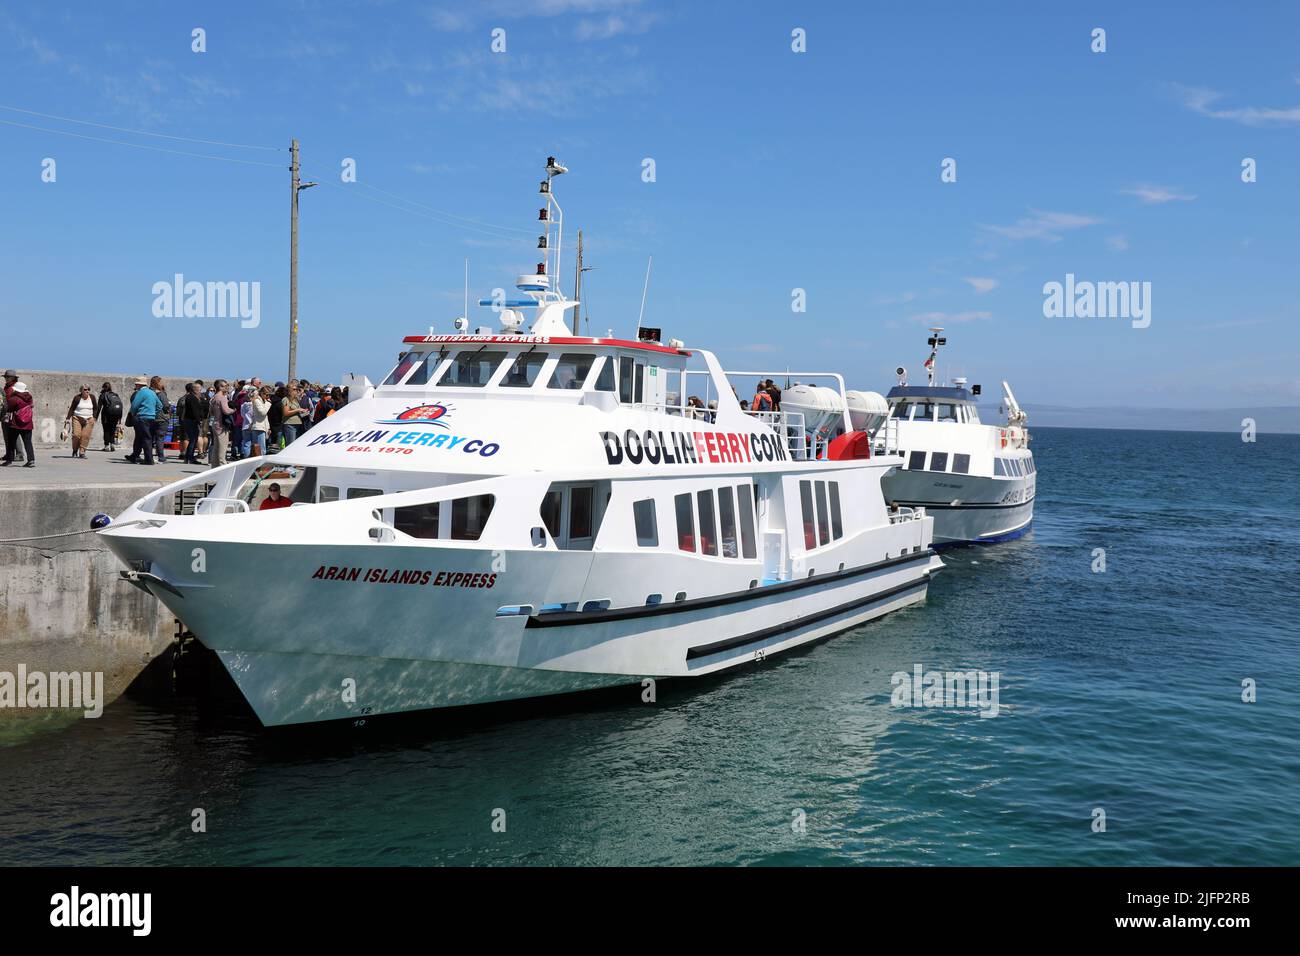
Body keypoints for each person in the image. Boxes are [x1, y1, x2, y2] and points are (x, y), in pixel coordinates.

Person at [1, 371, 35, 468]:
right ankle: (31, 460)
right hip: (28, 424)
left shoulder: (14, 399)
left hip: (16, 423)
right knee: (28, 442)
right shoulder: (29, 397)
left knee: (11, 441)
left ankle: (9, 460)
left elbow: (7, 408)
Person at [124, 377, 160, 465]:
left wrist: (133, 414)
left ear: (139, 385)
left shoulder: (140, 393)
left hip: (142, 417)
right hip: (151, 418)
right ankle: (134, 456)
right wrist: (153, 412)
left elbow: (134, 406)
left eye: (136, 384)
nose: (135, 386)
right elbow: (160, 406)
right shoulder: (152, 392)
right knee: (141, 437)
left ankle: (149, 459)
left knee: (145, 438)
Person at [63, 384, 98, 459]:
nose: (87, 391)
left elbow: (95, 408)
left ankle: (82, 452)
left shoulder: (92, 397)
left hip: (89, 419)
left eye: (88, 389)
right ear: (81, 391)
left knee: (85, 436)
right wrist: (68, 418)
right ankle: (75, 450)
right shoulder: (77, 398)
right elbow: (72, 408)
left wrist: (94, 418)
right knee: (76, 435)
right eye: (85, 389)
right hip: (77, 418)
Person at [208, 379, 235, 468]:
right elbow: (226, 411)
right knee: (222, 452)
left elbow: (211, 412)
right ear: (220, 387)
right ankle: (224, 470)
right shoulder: (222, 398)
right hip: (221, 426)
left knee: (216, 449)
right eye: (225, 385)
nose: (227, 387)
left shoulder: (214, 397)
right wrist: (234, 410)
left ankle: (214, 470)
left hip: (215, 424)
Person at [178, 382, 204, 463]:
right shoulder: (191, 398)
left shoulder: (193, 397)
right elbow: (194, 411)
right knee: (193, 439)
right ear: (194, 389)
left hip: (191, 420)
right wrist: (199, 420)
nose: (200, 390)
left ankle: (188, 457)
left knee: (194, 439)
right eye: (199, 389)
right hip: (191, 421)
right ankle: (190, 457)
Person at [97, 382, 123, 452]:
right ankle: (112, 444)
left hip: (106, 414)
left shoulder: (103, 395)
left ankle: (106, 446)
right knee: (113, 429)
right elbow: (120, 406)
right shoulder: (115, 395)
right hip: (116, 415)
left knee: (106, 430)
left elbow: (99, 407)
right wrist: (120, 419)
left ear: (103, 387)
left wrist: (95, 417)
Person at [150, 376, 170, 463]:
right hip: (161, 418)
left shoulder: (149, 392)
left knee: (150, 437)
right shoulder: (161, 393)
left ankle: (149, 456)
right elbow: (166, 405)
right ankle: (161, 457)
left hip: (151, 417)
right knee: (160, 438)